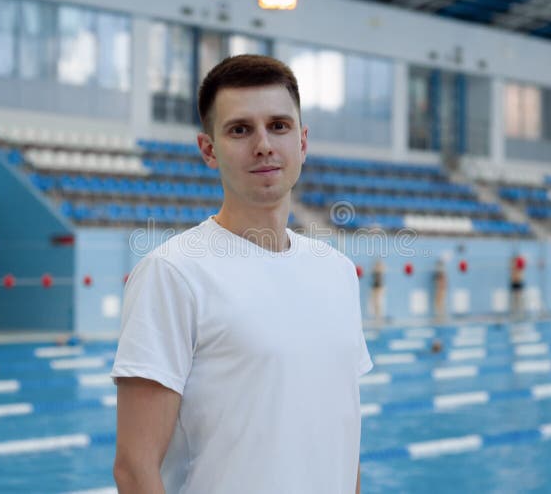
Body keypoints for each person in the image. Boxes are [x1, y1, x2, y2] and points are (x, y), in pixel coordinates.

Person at [111, 55, 373, 494]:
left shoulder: (339, 272)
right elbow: (135, 469)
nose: (264, 144)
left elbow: (343, 442)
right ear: (208, 150)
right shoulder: (173, 274)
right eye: (240, 130)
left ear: (302, 142)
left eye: (279, 126)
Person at [369, 259, 386, 324]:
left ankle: (379, 317)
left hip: (379, 288)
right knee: (375, 303)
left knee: (379, 303)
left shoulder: (381, 271)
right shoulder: (374, 271)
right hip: (375, 288)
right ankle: (376, 317)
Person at [509, 255, 525, 320]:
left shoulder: (519, 269)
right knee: (514, 299)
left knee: (519, 299)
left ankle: (520, 313)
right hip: (514, 283)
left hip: (518, 283)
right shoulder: (513, 268)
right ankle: (514, 312)